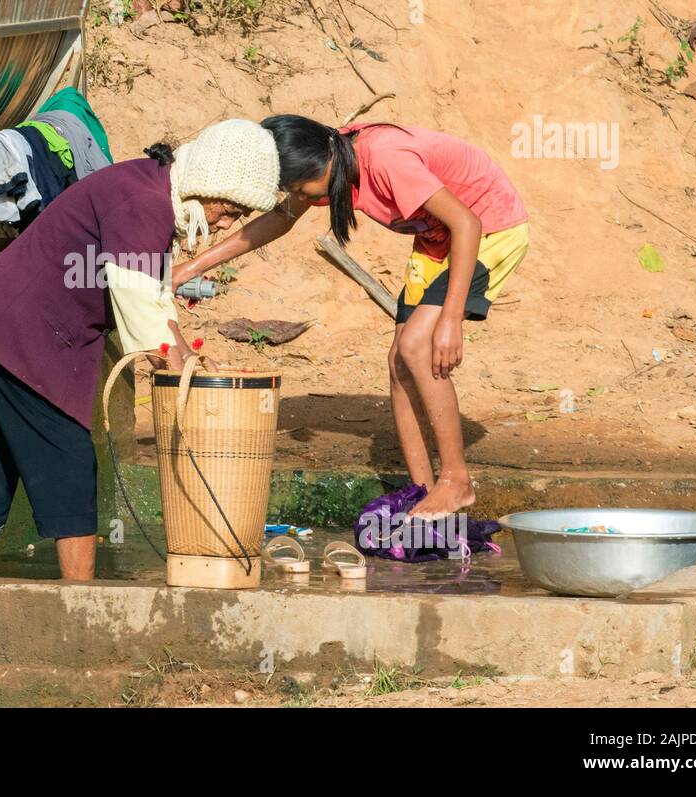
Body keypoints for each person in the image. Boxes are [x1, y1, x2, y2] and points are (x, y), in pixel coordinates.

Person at [0, 119, 282, 579]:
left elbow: (156, 294)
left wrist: (186, 355)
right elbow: (141, 303)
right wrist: (183, 368)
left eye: (241, 214)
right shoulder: (145, 204)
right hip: (22, 337)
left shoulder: (148, 186)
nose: (229, 221)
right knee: (70, 463)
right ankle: (82, 605)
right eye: (231, 206)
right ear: (210, 182)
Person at [171, 116, 529, 520]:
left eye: (295, 189)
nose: (296, 197)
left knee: (416, 345)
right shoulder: (328, 160)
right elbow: (279, 220)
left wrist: (450, 320)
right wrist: (192, 267)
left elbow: (468, 222)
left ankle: (456, 482)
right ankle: (423, 494)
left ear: (315, 167)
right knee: (399, 362)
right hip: (437, 239)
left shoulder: (385, 159)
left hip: (488, 229)